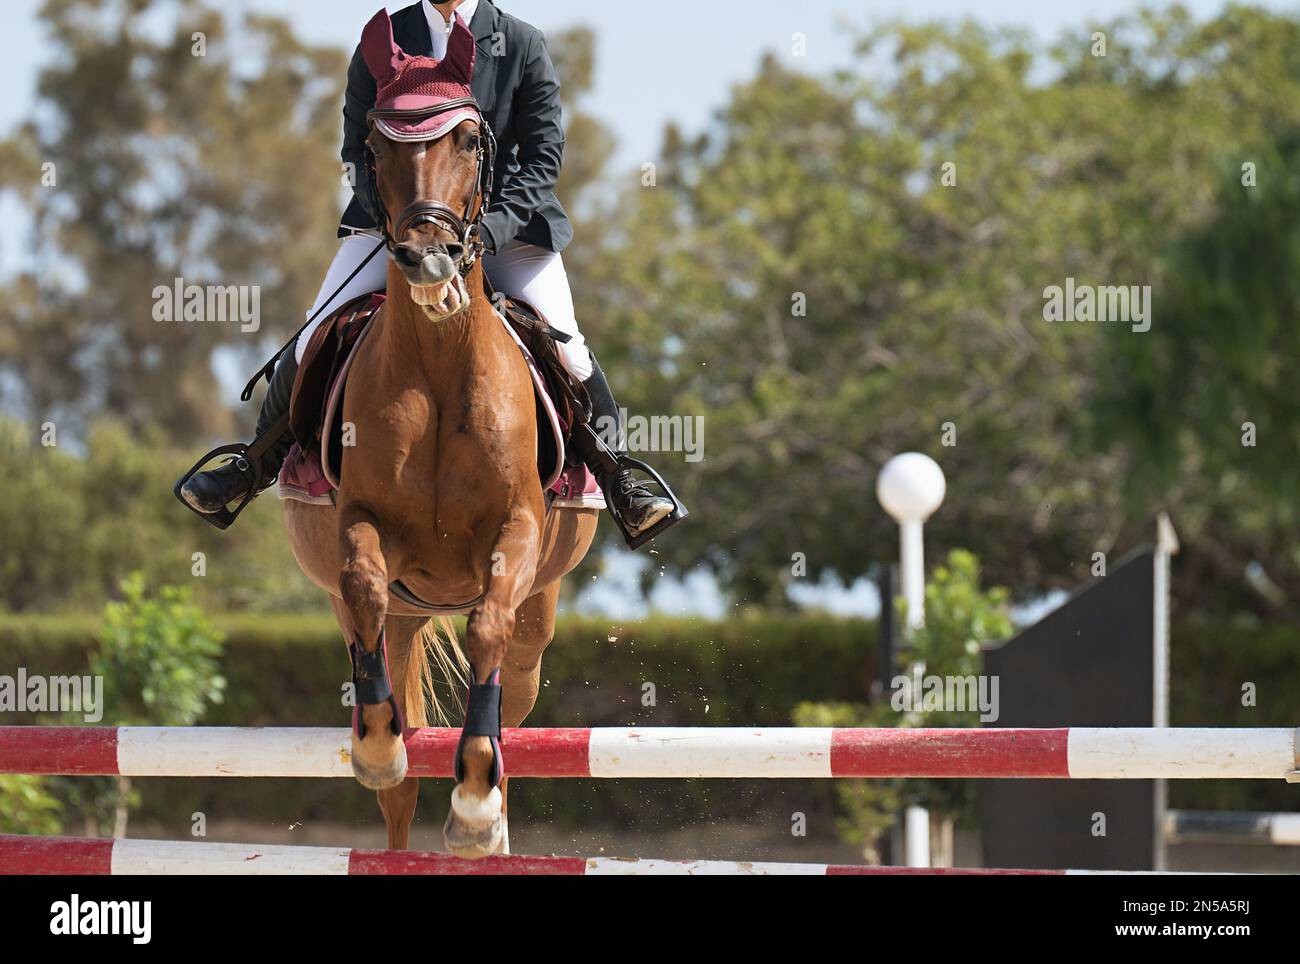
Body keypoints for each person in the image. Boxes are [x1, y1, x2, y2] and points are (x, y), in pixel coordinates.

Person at [180, 0, 678, 541]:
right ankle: (252, 467)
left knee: (568, 348)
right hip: (394, 228)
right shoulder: (383, 41)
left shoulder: (522, 42)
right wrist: (400, 230)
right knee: (311, 336)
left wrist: (482, 237)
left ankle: (620, 477)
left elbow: (542, 159)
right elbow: (356, 152)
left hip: (505, 231)